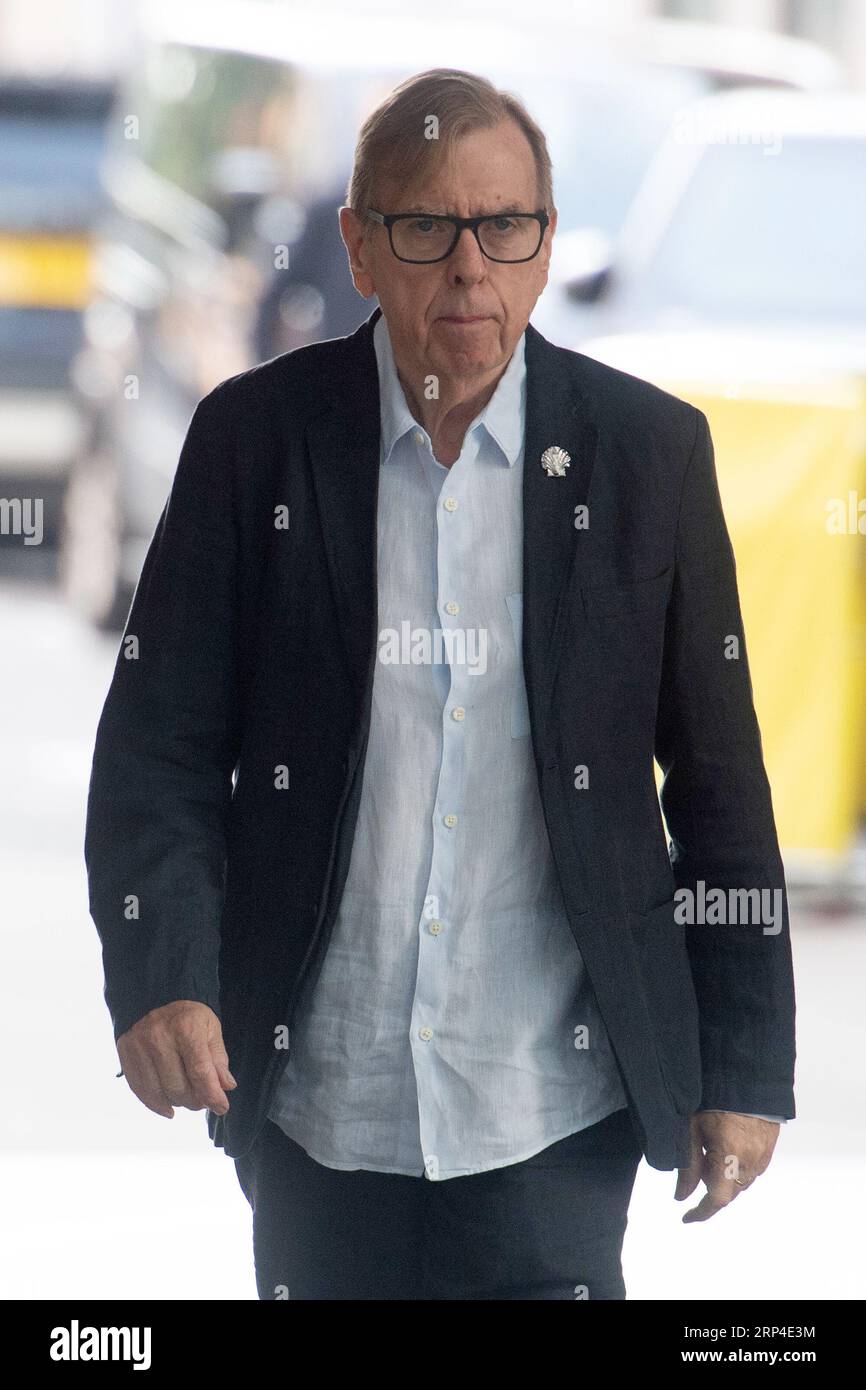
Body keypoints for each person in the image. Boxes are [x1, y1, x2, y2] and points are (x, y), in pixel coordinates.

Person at [84, 68, 795, 1301]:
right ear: (359, 248)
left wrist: (742, 1062)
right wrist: (163, 973)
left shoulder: (645, 454)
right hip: (317, 1101)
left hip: (555, 1108)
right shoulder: (257, 442)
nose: (469, 267)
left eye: (502, 226)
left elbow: (719, 785)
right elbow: (160, 742)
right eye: (425, 229)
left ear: (543, 244)